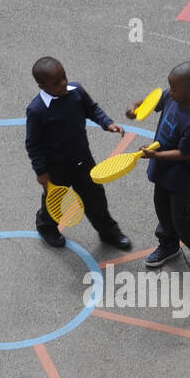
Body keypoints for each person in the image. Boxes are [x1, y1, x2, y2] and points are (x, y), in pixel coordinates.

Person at [25, 56, 132, 250]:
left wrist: (107, 123)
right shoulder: (37, 110)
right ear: (42, 86)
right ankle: (46, 227)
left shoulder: (77, 92)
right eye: (57, 83)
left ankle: (108, 232)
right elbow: (33, 144)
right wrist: (41, 172)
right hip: (55, 168)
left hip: (83, 160)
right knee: (55, 202)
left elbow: (92, 109)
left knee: (96, 198)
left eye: (64, 77)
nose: (64, 83)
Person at [127, 61, 190, 277]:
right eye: (170, 86)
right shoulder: (172, 97)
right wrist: (135, 107)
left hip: (181, 176)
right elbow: (149, 102)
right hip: (163, 170)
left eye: (175, 88)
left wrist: (155, 154)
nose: (170, 91)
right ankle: (169, 245)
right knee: (162, 209)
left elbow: (185, 153)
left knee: (181, 218)